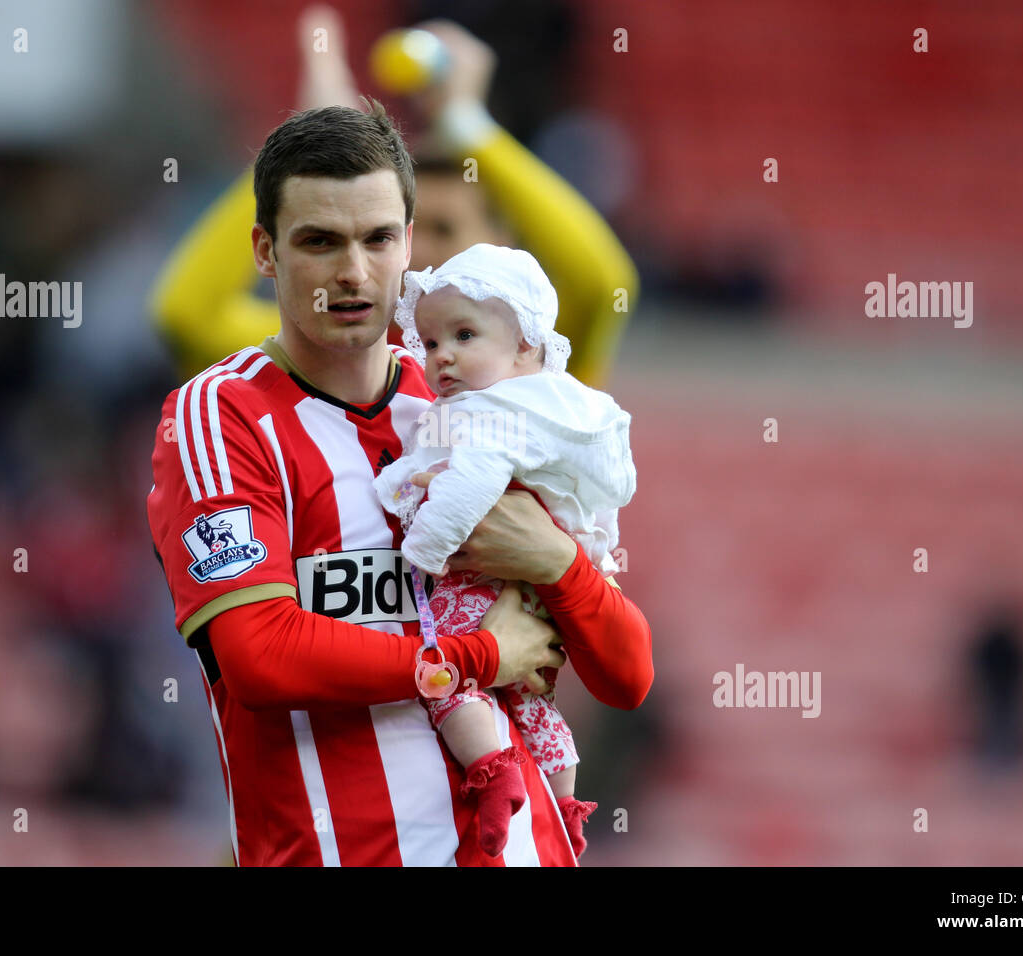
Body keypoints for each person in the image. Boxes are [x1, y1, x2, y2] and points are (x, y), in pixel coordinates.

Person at [145, 100, 653, 866]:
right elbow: (262, 656)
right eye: (319, 241)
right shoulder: (219, 417)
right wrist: (475, 657)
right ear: (265, 251)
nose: (353, 272)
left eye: (378, 239)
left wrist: (556, 562)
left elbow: (627, 675)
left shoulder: (476, 403)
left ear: (409, 243)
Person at [148, 9, 638, 388]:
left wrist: (469, 127)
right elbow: (188, 316)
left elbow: (605, 284)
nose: (416, 251)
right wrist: (303, 146)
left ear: (502, 242)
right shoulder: (342, 347)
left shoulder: (525, 348)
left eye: (443, 229)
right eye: (394, 232)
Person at [374, 243, 636, 859]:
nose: (443, 357)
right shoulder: (552, 405)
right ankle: (567, 807)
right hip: (542, 590)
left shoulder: (490, 413)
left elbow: (470, 486)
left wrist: (424, 550)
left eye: (465, 335)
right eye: (433, 342)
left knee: (447, 679)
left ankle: (491, 775)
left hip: (479, 582)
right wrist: (592, 563)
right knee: (534, 701)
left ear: (526, 344)